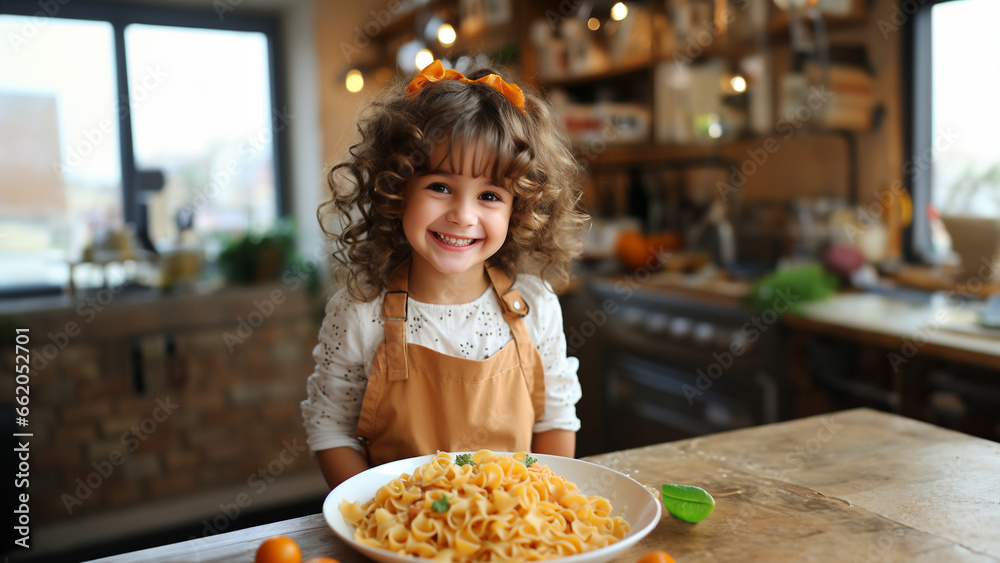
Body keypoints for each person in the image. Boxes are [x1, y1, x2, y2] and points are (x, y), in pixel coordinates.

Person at [301, 59, 589, 488]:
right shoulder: (360, 314)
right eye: (439, 187)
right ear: (396, 189)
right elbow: (331, 431)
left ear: (518, 210)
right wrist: (377, 516)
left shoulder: (536, 307)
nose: (463, 215)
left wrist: (536, 509)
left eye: (490, 195)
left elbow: (556, 420)